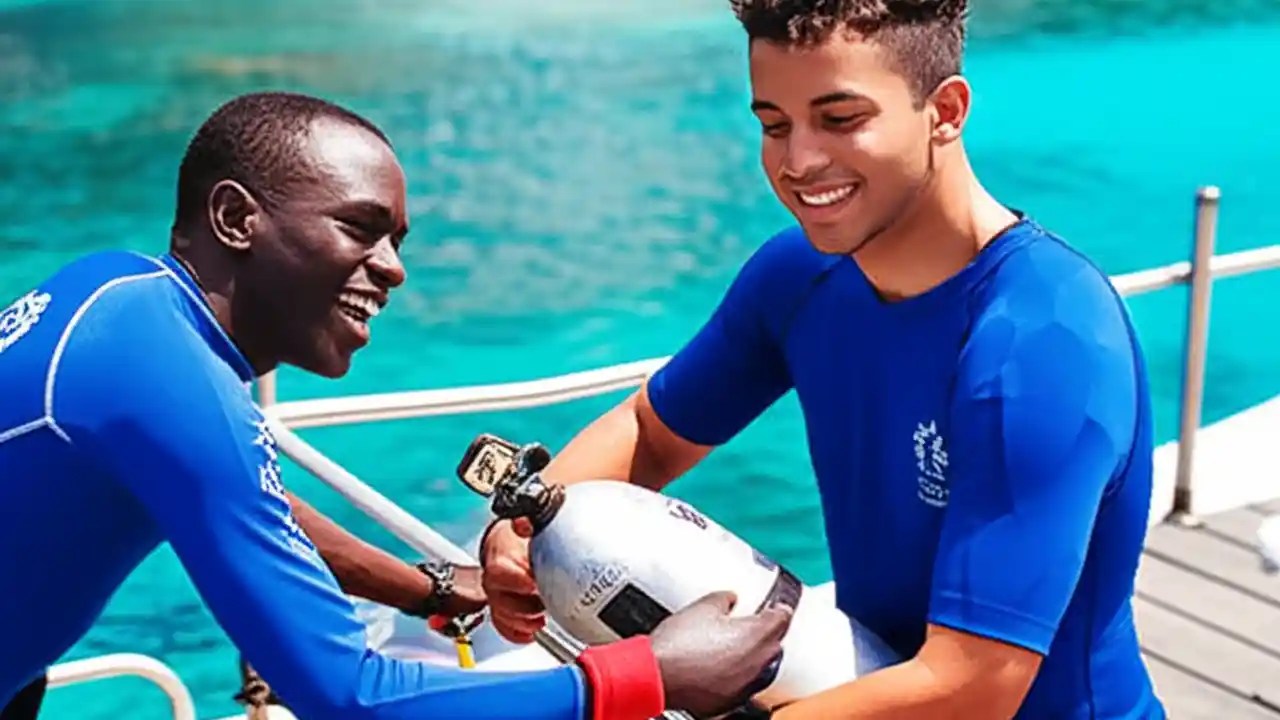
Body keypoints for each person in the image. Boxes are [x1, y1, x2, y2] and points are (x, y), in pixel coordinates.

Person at [0, 91, 792, 720]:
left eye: (398, 243)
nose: (392, 271)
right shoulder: (165, 380)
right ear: (237, 218)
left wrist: (427, 591)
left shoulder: (116, 297)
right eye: (360, 229)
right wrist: (651, 675)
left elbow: (238, 495)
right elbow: (350, 700)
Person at [480, 1, 1165, 718]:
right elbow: (652, 431)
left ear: (946, 111)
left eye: (840, 120)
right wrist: (519, 534)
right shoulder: (801, 276)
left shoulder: (1044, 340)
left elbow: (976, 684)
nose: (798, 162)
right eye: (774, 124)